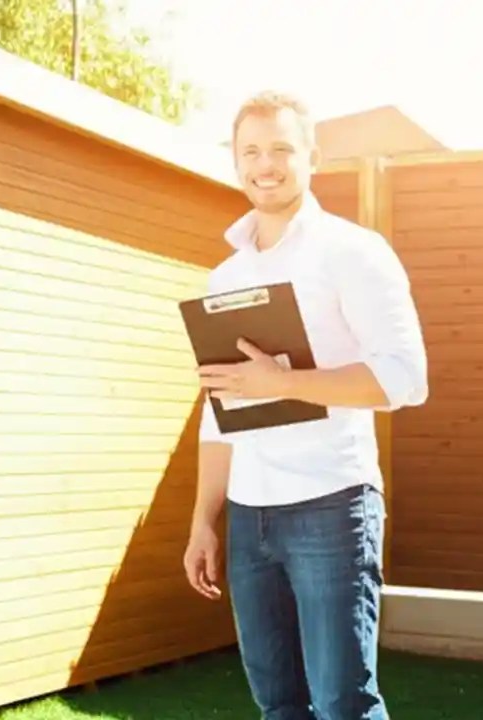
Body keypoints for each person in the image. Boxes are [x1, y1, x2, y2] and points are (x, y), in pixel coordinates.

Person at [182, 90, 428, 720]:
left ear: (313, 156)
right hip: (249, 517)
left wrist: (285, 382)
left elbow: (404, 379)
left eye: (282, 149)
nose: (266, 164)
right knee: (279, 708)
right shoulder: (225, 276)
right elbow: (220, 407)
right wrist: (203, 519)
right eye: (251, 151)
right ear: (235, 162)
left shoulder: (353, 250)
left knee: (343, 705)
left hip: (332, 506)